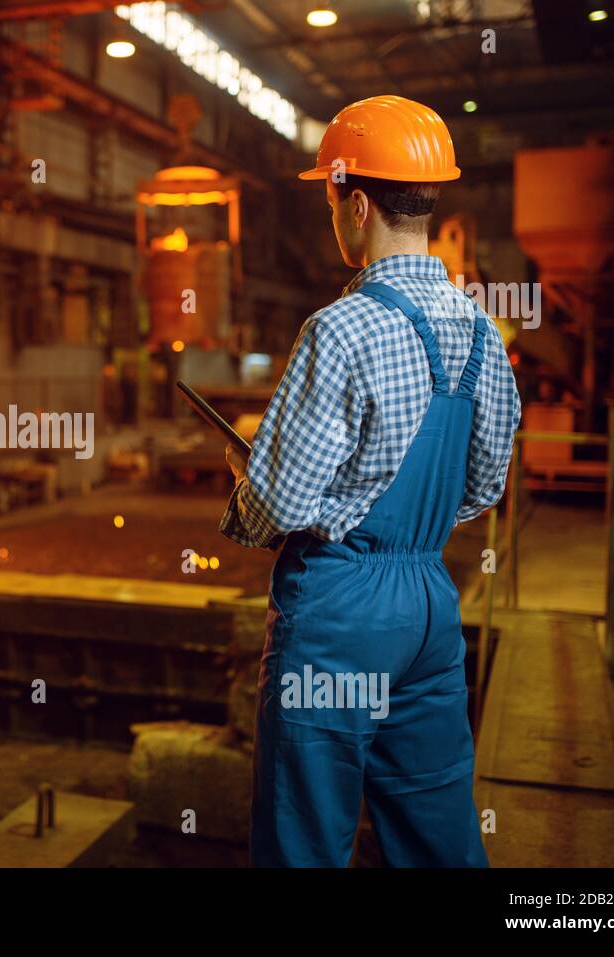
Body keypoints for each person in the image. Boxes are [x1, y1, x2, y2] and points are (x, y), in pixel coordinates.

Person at [220, 95, 521, 867]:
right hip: (427, 607)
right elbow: (484, 484)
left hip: (339, 618)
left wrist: (253, 485)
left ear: (355, 203)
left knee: (305, 835)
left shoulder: (341, 328)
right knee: (438, 833)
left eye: (330, 200)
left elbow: (283, 503)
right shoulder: (482, 330)